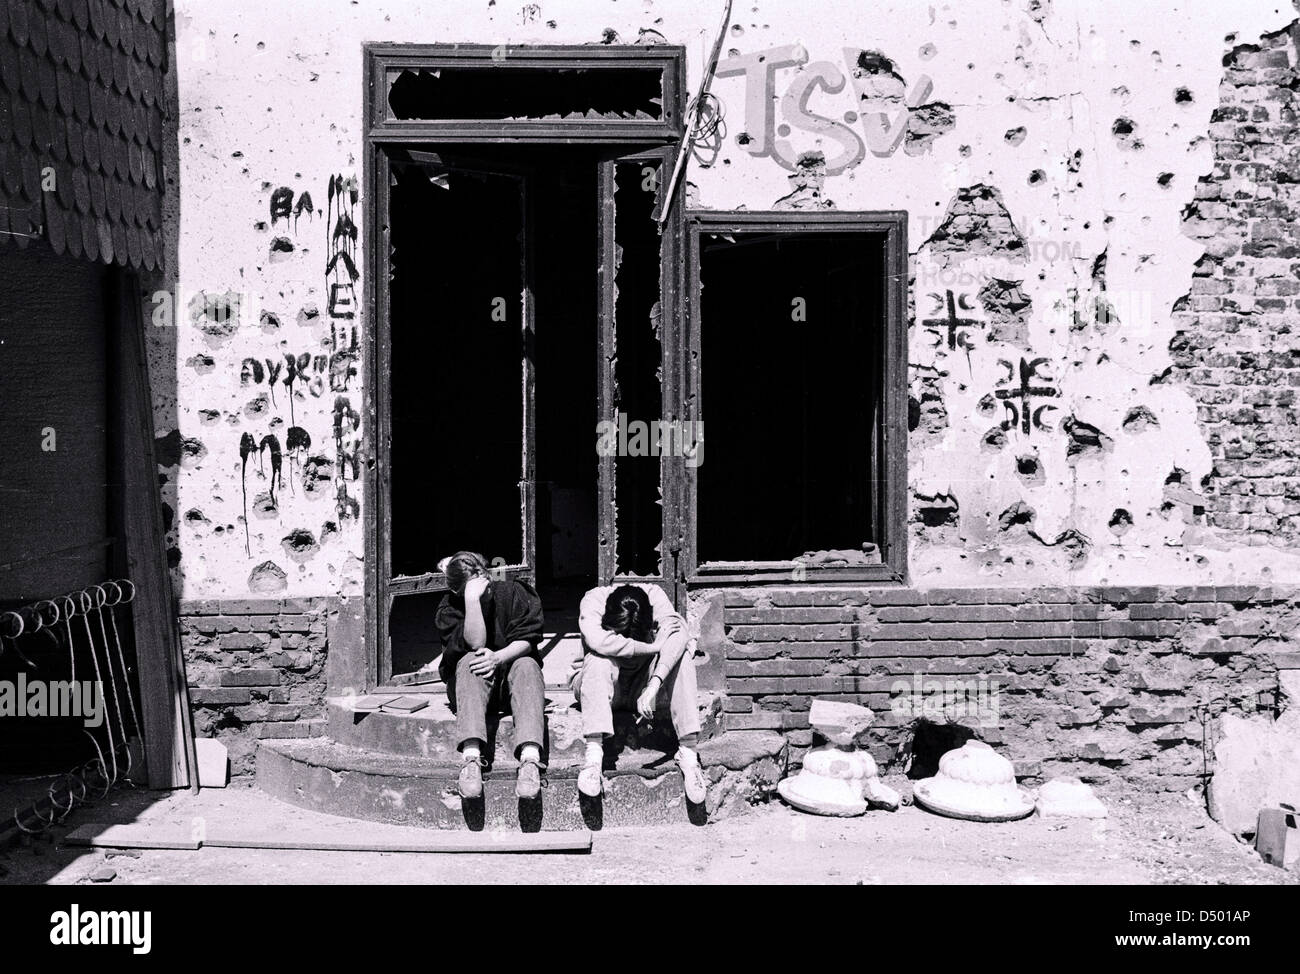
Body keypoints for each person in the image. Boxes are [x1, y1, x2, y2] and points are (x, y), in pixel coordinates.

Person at [571, 583, 706, 804]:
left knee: (681, 657)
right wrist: (653, 647)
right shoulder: (593, 599)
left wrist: (654, 684)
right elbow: (597, 640)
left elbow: (679, 631)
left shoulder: (655, 596)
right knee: (597, 658)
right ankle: (593, 759)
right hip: (602, 683)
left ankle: (689, 753)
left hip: (641, 686)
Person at [434, 551, 546, 800]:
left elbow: (529, 640)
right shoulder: (449, 609)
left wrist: (498, 657)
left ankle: (530, 760)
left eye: (482, 581)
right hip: (471, 690)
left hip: (511, 687)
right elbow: (476, 643)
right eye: (470, 589)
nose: (482, 589)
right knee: (471, 660)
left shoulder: (513, 592)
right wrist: (472, 602)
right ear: (457, 592)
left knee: (527, 664)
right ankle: (471, 759)